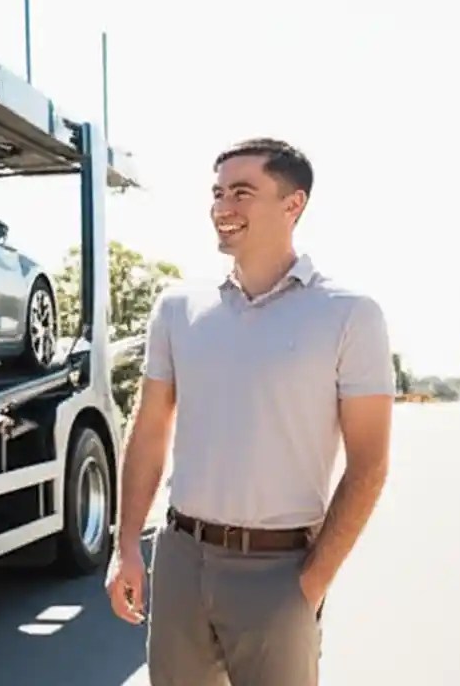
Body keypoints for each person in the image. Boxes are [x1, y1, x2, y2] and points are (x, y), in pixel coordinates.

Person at [105, 138, 394, 686]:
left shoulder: (350, 314)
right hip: (181, 559)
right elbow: (148, 432)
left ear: (293, 204)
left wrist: (310, 584)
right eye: (217, 193)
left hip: (281, 572)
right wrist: (126, 548)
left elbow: (370, 465)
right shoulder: (177, 307)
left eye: (242, 192)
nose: (223, 207)